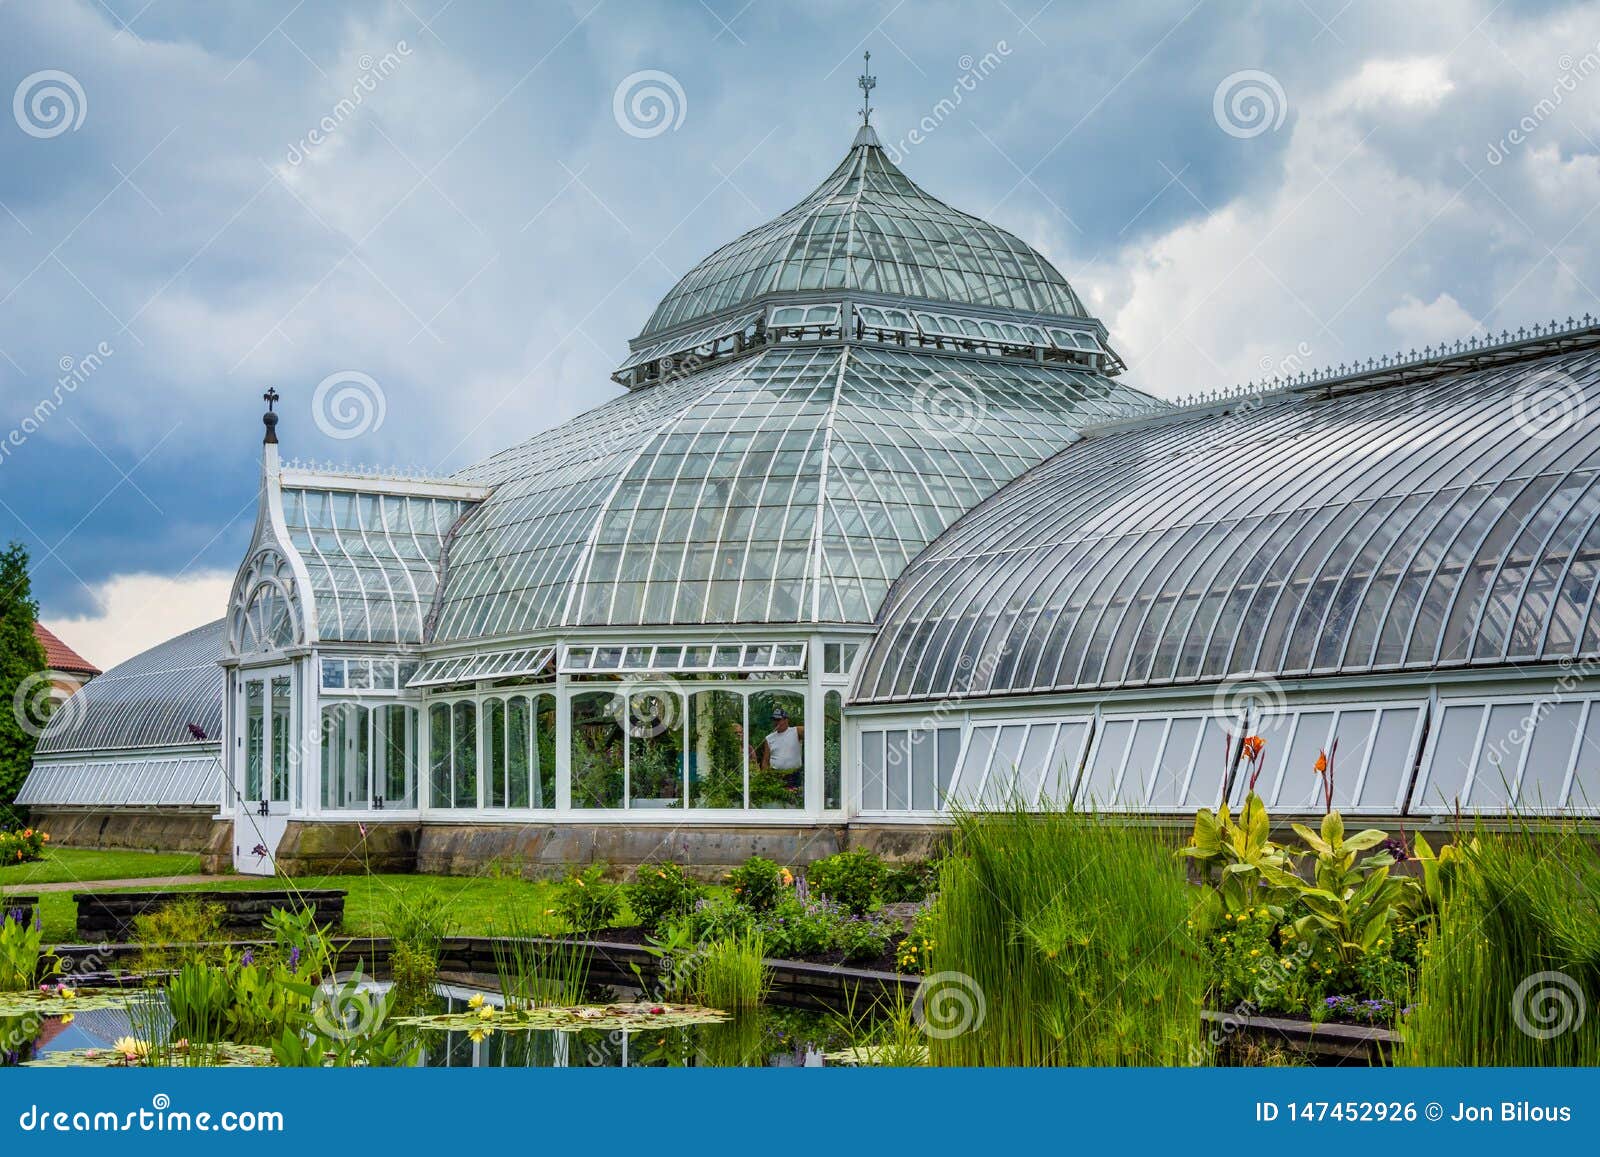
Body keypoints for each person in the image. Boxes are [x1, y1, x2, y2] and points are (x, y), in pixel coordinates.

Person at [755, 707, 804, 792]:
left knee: (795, 801)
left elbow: (811, 730)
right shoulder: (769, 738)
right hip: (776, 775)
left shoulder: (796, 731)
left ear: (786, 720)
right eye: (774, 720)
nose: (776, 722)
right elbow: (765, 760)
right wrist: (765, 778)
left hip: (794, 775)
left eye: (778, 719)